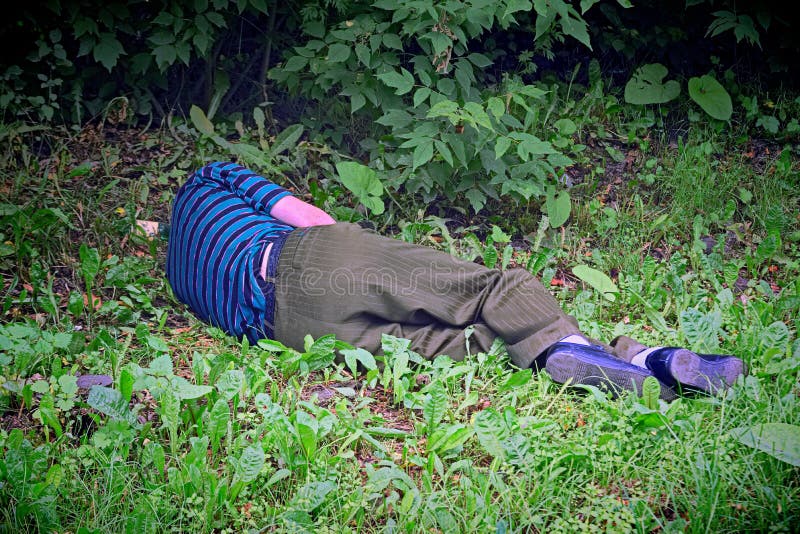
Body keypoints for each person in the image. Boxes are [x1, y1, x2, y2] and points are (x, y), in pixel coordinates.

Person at [166, 162, 745, 400]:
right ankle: (642, 354)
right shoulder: (210, 177)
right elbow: (311, 219)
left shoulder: (177, 278)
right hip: (303, 257)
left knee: (465, 346)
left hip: (286, 327)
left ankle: (637, 377)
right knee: (486, 291)